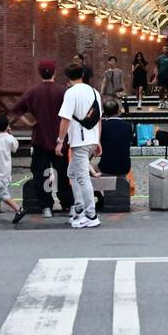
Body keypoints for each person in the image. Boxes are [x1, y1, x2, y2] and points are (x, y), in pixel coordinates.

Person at [10, 60, 71, 219]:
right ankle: (67, 204)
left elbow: (17, 110)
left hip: (40, 138)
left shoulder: (32, 92)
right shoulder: (63, 92)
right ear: (54, 73)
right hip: (60, 140)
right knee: (63, 174)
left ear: (39, 73)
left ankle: (46, 207)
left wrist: (30, 122)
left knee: (40, 175)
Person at [57, 63, 103, 228]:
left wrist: (60, 141)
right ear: (82, 74)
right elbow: (98, 118)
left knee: (82, 176)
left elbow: (65, 118)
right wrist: (98, 140)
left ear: (67, 77)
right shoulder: (94, 92)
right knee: (73, 172)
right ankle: (79, 208)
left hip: (79, 140)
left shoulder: (70, 93)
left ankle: (90, 213)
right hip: (91, 139)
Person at [98, 98, 133, 181]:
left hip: (106, 167)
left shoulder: (102, 127)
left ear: (104, 113)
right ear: (118, 111)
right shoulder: (128, 126)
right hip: (124, 167)